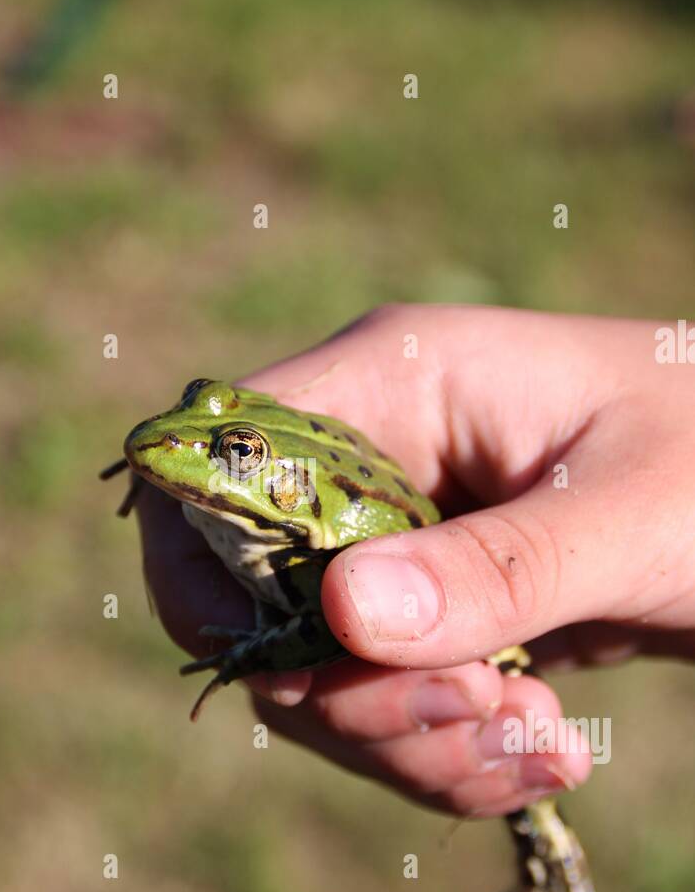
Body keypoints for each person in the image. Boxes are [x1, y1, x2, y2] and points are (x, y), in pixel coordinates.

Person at [133, 305, 695, 819]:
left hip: (480, 642)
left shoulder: (300, 562)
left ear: (287, 487)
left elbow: (328, 625)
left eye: (237, 455)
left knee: (514, 740)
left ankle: (549, 836)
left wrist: (249, 654)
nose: (184, 442)